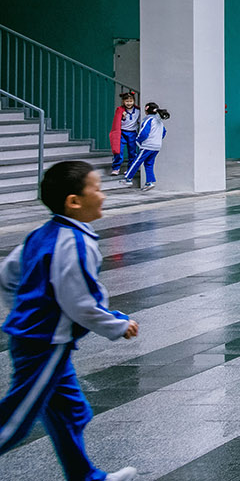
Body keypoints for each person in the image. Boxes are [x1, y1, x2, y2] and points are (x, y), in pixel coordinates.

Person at [0, 161, 140, 481]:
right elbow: (80, 302)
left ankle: (86, 476)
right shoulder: (73, 243)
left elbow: (6, 276)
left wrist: (21, 312)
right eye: (97, 189)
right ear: (74, 202)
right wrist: (117, 324)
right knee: (14, 421)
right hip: (43, 345)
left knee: (70, 412)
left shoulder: (42, 234)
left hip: (43, 340)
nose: (103, 196)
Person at [123, 103, 168, 191]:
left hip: (147, 146)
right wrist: (157, 140)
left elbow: (144, 133)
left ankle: (128, 178)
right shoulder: (159, 121)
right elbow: (164, 132)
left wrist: (138, 140)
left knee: (137, 161)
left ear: (146, 110)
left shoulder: (149, 120)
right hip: (156, 147)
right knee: (149, 164)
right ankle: (149, 182)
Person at [110, 91, 139, 177]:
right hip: (122, 132)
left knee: (132, 152)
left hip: (132, 133)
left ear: (134, 101)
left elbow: (139, 121)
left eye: (131, 101)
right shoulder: (120, 110)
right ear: (123, 102)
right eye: (127, 101)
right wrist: (123, 117)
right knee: (118, 150)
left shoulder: (138, 111)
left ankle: (130, 169)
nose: (129, 103)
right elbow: (117, 122)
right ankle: (116, 168)